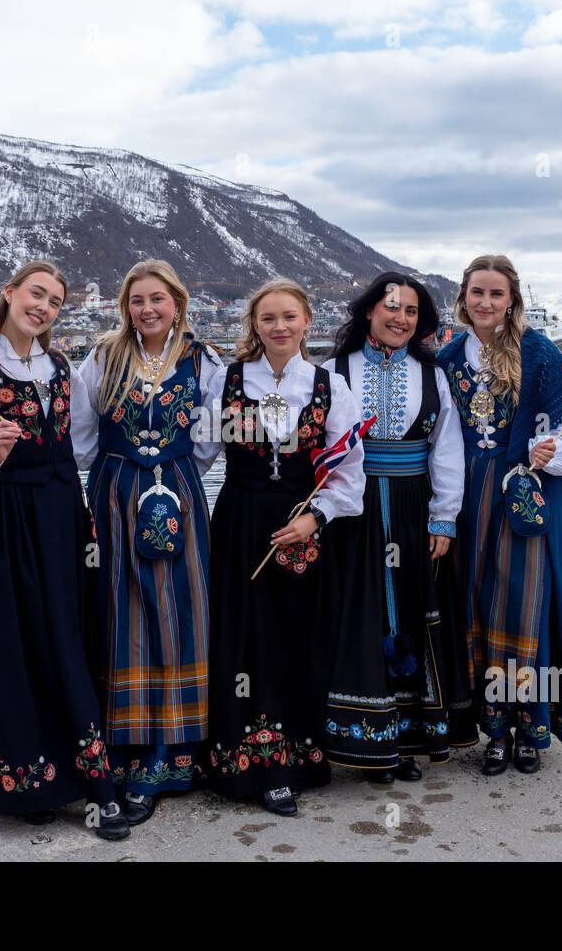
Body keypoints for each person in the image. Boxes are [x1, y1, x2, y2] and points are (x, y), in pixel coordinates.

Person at [0, 259, 128, 840]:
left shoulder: (61, 365)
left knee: (67, 636)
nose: (43, 307)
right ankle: (29, 782)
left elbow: (81, 442)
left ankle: (87, 779)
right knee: (14, 639)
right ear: (10, 293)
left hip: (63, 517)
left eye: (55, 301)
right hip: (6, 520)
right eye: (35, 294)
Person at [203, 278, 363, 816]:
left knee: (295, 634)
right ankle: (242, 761)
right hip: (239, 522)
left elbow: (349, 474)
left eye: (289, 317)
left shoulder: (328, 384)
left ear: (306, 323)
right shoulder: (224, 381)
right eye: (268, 318)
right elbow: (199, 451)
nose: (279, 327)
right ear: (254, 325)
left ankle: (292, 762)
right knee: (241, 635)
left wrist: (314, 518)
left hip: (302, 526)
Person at [73, 259, 224, 825]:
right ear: (125, 307)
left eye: (158, 299)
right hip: (114, 489)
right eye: (138, 301)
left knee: (178, 611)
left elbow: (209, 435)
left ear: (177, 302)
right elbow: (82, 435)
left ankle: (172, 749)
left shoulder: (202, 359)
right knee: (120, 608)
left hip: (178, 490)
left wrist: (175, 472)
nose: (148, 310)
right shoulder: (103, 357)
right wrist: (92, 493)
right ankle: (124, 745)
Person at [435, 254, 562, 776]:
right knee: (478, 605)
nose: (484, 302)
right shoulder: (450, 358)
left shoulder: (539, 354)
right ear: (463, 298)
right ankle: (493, 730)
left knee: (525, 607)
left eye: (496, 294)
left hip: (529, 492)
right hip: (471, 495)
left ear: (512, 301)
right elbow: (444, 439)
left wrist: (549, 451)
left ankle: (531, 726)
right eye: (476, 292)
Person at [319, 272, 472, 783]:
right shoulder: (333, 371)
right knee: (353, 613)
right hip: (350, 510)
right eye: (391, 307)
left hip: (413, 509)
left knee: (409, 613)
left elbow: (447, 452)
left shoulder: (434, 377)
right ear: (369, 311)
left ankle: (404, 742)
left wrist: (444, 517)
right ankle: (358, 740)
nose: (400, 318)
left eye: (410, 311)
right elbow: (314, 447)